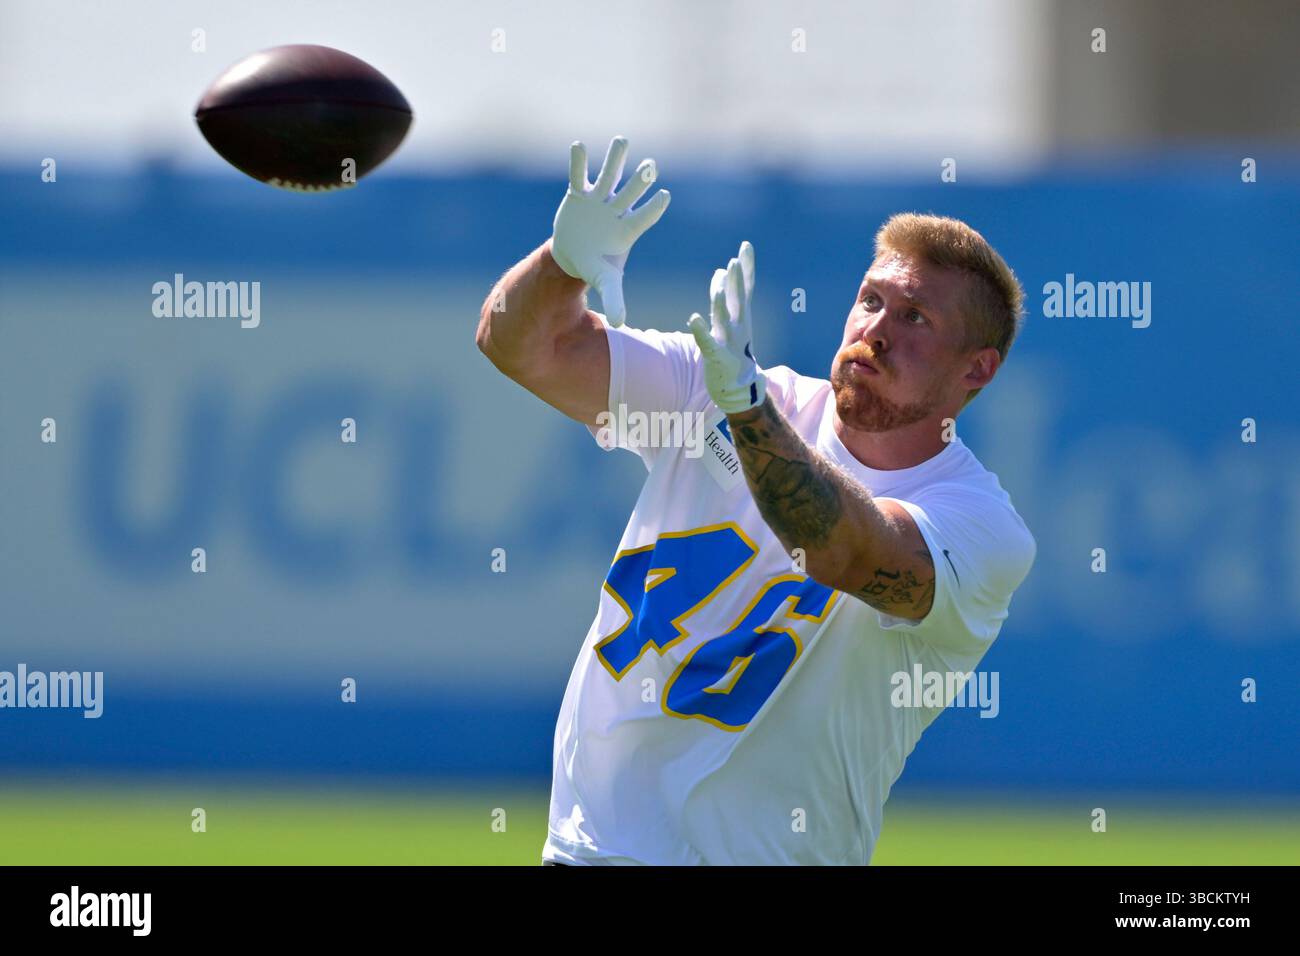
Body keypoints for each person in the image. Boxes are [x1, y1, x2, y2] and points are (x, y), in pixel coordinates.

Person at [476, 136, 1036, 865]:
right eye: (871, 300)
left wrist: (743, 409)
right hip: (594, 851)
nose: (876, 331)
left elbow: (842, 549)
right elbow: (519, 346)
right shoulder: (718, 384)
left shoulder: (983, 525)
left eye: (916, 319)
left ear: (978, 370)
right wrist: (564, 264)